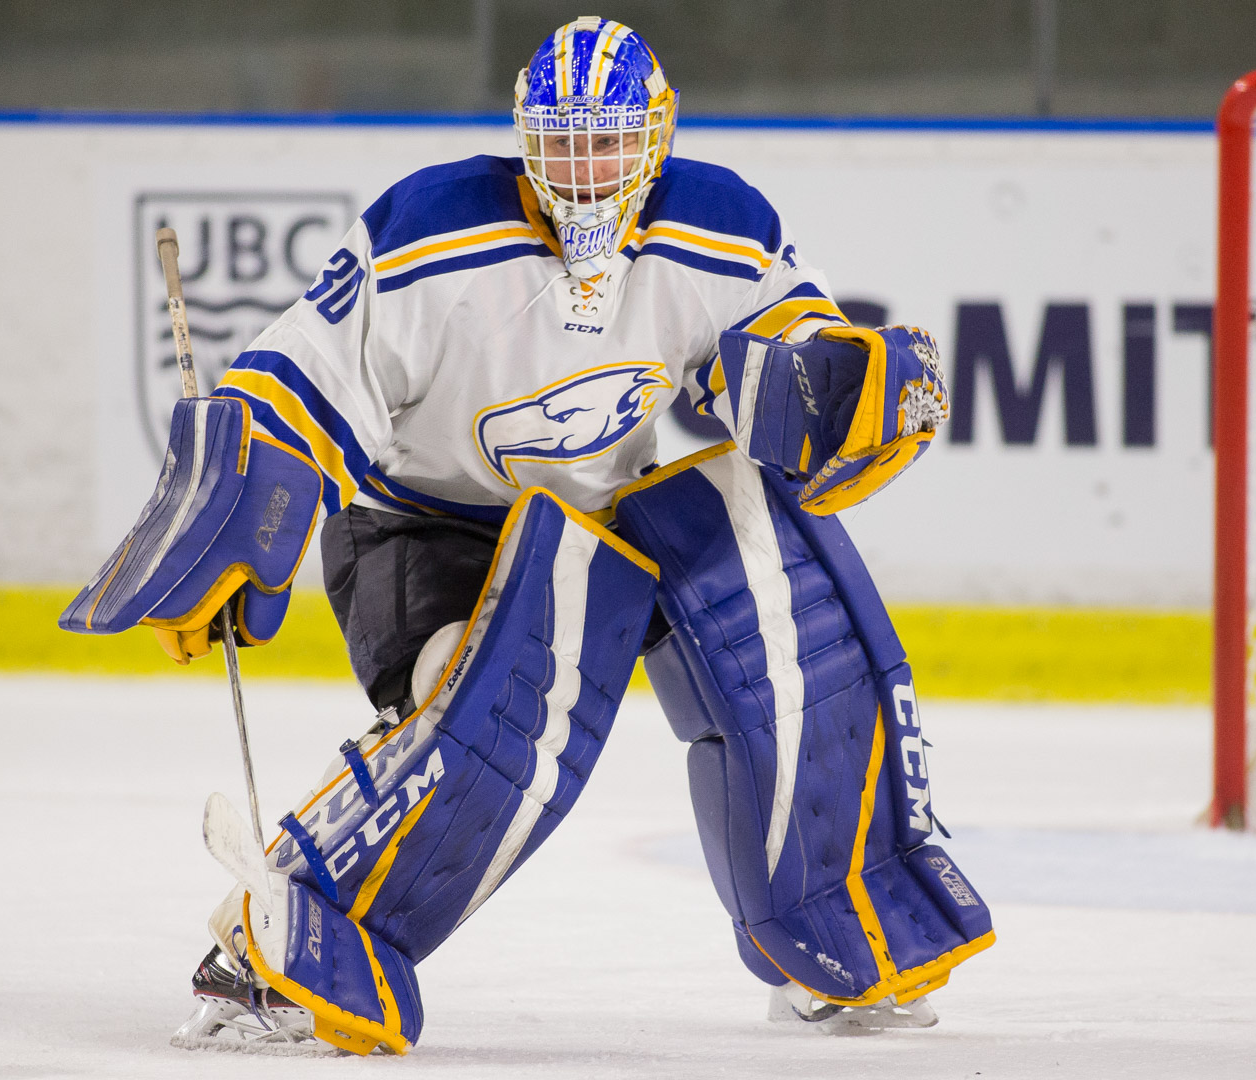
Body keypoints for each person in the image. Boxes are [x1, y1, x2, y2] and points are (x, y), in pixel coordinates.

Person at [63, 17, 993, 1056]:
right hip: (425, 526)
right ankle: (279, 944)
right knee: (488, 700)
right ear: (522, 135)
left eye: (605, 141)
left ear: (656, 134)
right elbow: (303, 380)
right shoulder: (431, 228)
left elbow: (782, 361)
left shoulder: (721, 223)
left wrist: (840, 386)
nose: (582, 169)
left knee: (790, 631)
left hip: (607, 524)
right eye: (558, 141)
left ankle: (827, 930)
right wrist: (240, 505)